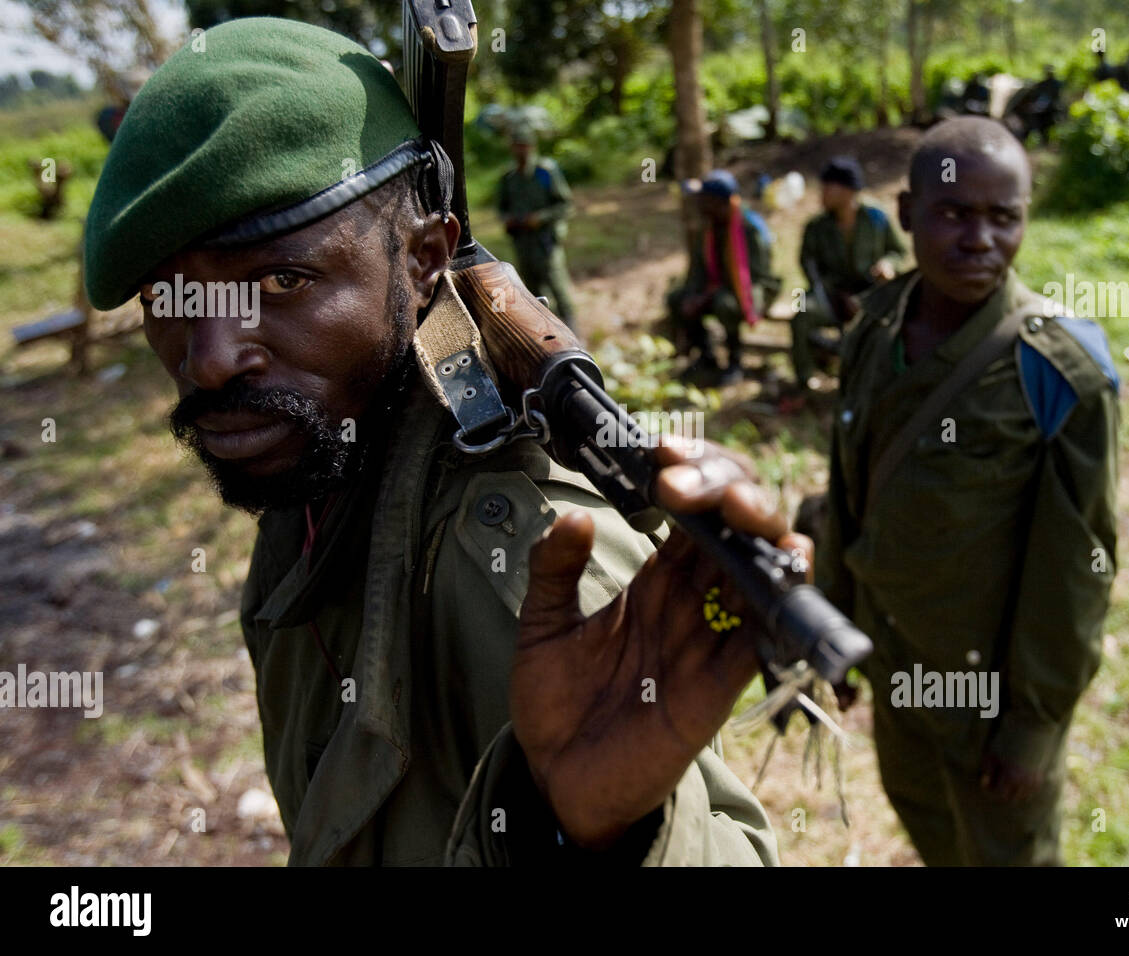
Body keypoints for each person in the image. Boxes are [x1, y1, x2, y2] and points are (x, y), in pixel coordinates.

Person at [83, 17, 797, 866]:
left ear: (425, 260)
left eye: (281, 281)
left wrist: (596, 834)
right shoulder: (321, 468)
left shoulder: (518, 560)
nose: (209, 359)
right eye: (168, 298)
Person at [817, 117, 1119, 866]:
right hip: (896, 661)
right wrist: (834, 624)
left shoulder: (1057, 368)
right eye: (954, 213)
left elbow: (1075, 566)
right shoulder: (877, 327)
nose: (980, 238)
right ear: (909, 214)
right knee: (926, 820)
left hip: (990, 699)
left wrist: (1034, 727)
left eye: (1003, 217)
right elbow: (846, 487)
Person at [793, 156, 906, 387]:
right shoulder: (816, 227)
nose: (821, 193)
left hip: (872, 294)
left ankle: (885, 378)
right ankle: (805, 377)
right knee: (800, 311)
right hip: (829, 294)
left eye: (827, 187)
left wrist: (888, 265)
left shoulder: (876, 218)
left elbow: (898, 251)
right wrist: (834, 293)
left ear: (846, 191)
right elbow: (807, 265)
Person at [666, 170, 780, 386]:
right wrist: (693, 295)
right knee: (678, 298)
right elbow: (698, 271)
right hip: (716, 290)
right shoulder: (708, 228)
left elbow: (753, 277)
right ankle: (706, 356)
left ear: (717, 202)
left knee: (725, 304)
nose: (698, 203)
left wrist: (708, 297)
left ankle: (735, 362)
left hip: (753, 290)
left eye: (703, 199)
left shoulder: (749, 228)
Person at [497, 126, 578, 330]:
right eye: (516, 145)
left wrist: (540, 218)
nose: (520, 150)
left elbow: (565, 205)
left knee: (557, 286)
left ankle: (573, 332)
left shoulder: (546, 172)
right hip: (522, 241)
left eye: (524, 145)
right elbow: (501, 208)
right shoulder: (509, 177)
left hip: (545, 241)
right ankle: (544, 332)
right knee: (532, 292)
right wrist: (509, 220)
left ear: (532, 146)